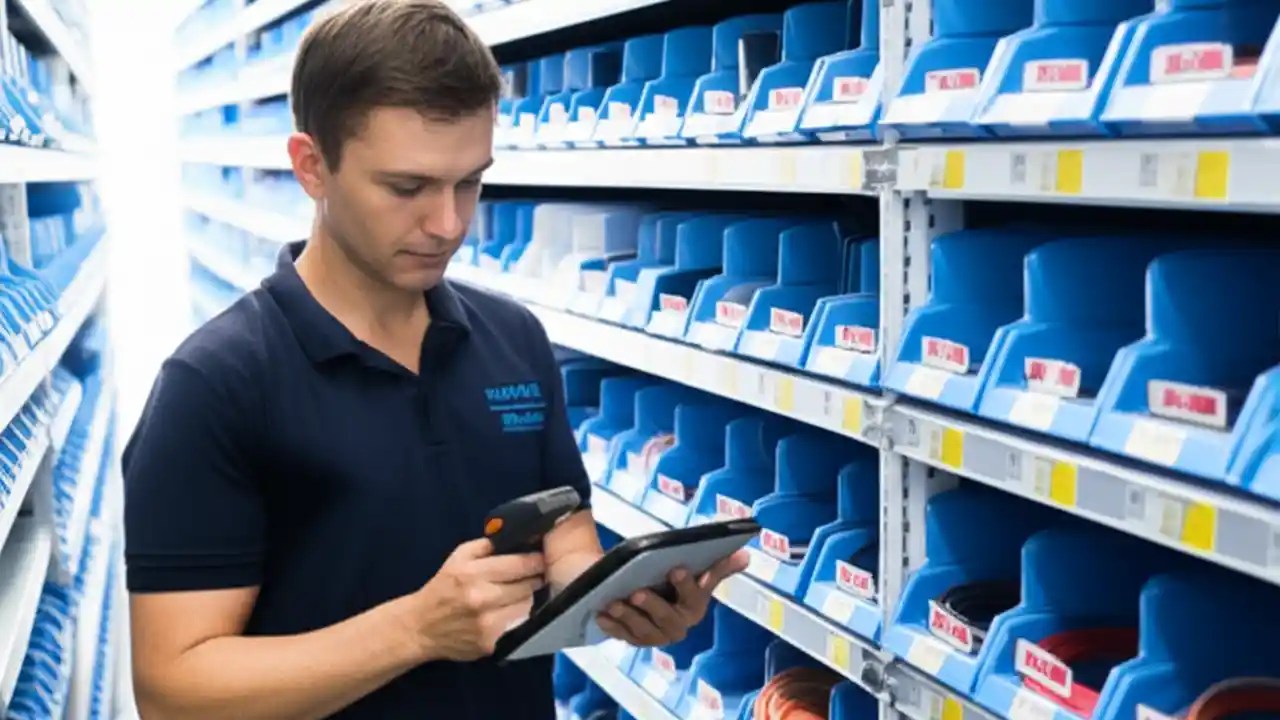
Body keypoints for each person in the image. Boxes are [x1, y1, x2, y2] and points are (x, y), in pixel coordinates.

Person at [122, 1, 748, 717]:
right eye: (407, 187)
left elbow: (565, 535)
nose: (447, 224)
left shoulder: (513, 339)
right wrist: (415, 629)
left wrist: (618, 601)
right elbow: (174, 692)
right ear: (311, 166)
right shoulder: (215, 385)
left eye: (469, 181)